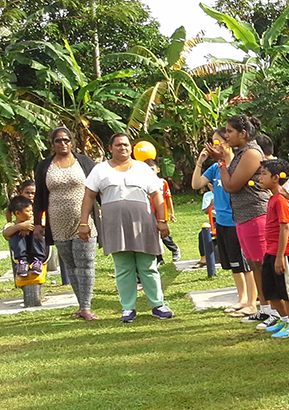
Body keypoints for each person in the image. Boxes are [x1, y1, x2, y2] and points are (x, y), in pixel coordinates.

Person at [79, 133, 173, 322]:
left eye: (126, 145)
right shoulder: (100, 170)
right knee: (123, 267)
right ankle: (128, 308)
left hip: (143, 222)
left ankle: (158, 305)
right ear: (110, 148)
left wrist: (162, 221)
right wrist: (83, 223)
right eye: (119, 145)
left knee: (148, 265)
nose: (123, 148)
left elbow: (156, 195)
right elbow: (89, 196)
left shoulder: (142, 169)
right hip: (114, 224)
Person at [206, 115, 272, 327]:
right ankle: (264, 309)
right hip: (242, 217)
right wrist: (224, 160)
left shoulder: (251, 153)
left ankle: (273, 310)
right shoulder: (241, 153)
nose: (226, 136)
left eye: (229, 132)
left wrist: (222, 163)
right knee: (253, 264)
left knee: (262, 265)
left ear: (243, 134)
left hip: (255, 215)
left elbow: (231, 185)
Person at [32, 127, 98, 320]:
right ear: (52, 144)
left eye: (67, 140)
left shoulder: (84, 162)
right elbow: (39, 198)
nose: (63, 144)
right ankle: (81, 304)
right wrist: (38, 224)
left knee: (85, 263)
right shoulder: (44, 166)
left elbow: (98, 188)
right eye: (59, 140)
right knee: (70, 265)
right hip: (58, 222)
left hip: (84, 221)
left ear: (72, 142)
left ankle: (86, 307)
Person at [192, 129, 257, 314]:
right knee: (234, 264)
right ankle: (242, 298)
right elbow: (196, 184)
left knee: (247, 264)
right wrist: (200, 162)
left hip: (238, 220)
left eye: (218, 142)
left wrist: (225, 157)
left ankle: (252, 302)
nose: (214, 146)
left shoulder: (237, 164)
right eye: (212, 142)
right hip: (222, 221)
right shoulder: (216, 168)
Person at [257, 158, 289, 339]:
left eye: (263, 174)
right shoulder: (273, 198)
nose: (259, 178)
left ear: (276, 177)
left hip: (283, 253)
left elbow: (285, 227)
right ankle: (284, 319)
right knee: (270, 290)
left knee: (287, 290)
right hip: (271, 251)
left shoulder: (282, 201)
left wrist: (280, 256)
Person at [144, 158, 181, 263]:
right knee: (152, 236)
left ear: (158, 170)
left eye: (152, 169)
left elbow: (168, 197)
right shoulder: (143, 182)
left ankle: (174, 249)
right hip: (149, 212)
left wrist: (171, 213)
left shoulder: (162, 182)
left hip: (160, 212)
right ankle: (159, 259)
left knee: (163, 234)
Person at [4, 196, 46, 277]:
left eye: (32, 210)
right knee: (14, 231)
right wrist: (20, 227)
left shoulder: (35, 220)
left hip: (37, 251)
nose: (31, 213)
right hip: (22, 254)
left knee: (38, 228)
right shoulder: (11, 225)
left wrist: (29, 225)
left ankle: (37, 261)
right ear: (17, 213)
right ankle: (22, 262)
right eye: (28, 211)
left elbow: (43, 222)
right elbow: (6, 233)